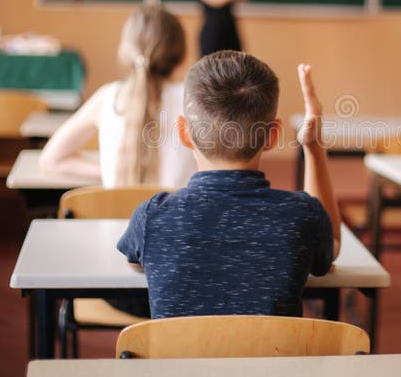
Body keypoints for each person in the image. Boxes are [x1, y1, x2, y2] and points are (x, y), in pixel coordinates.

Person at [116, 51, 342, 318]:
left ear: (184, 133)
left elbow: (136, 264)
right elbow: (332, 246)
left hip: (178, 360)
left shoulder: (152, 217)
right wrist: (313, 147)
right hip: (274, 361)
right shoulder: (301, 216)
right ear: (272, 136)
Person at [39, 4, 196, 189]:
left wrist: (110, 170)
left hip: (115, 218)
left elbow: (51, 160)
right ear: (182, 57)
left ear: (125, 52)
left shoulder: (108, 98)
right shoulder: (195, 100)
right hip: (179, 218)